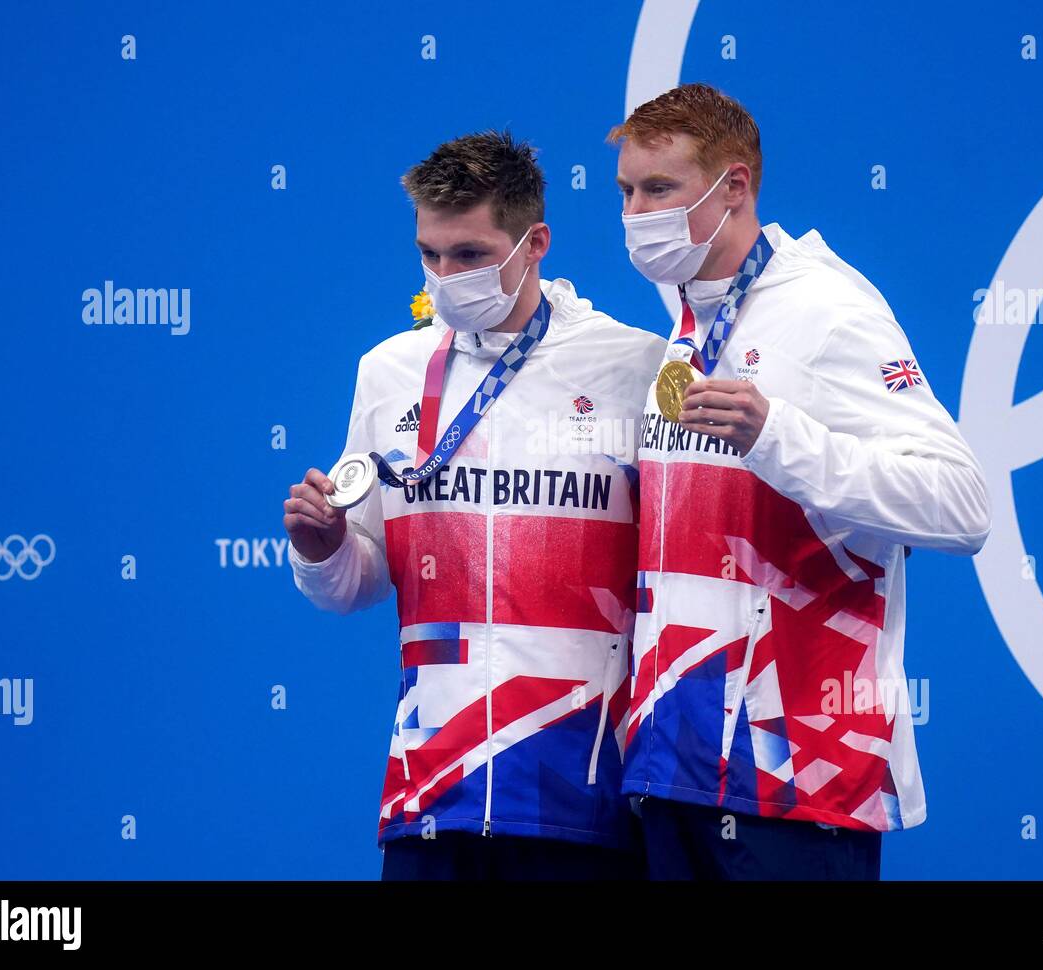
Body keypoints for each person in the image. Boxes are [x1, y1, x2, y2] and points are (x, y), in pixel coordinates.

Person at [610, 83, 991, 880]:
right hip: (671, 772)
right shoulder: (687, 323)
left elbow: (962, 505)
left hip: (795, 782)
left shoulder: (827, 309)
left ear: (735, 186)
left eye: (660, 189)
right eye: (626, 191)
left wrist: (780, 436)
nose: (635, 214)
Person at [285, 130, 663, 880]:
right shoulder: (389, 371)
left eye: (470, 256)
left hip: (587, 796)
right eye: (431, 254)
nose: (446, 276)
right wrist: (323, 546)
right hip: (432, 790)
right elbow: (355, 583)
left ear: (536, 242)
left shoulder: (635, 365)